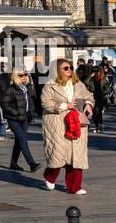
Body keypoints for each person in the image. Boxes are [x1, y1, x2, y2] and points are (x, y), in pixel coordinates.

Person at [40, 58, 93, 195]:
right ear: (57, 70)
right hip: (58, 123)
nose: (69, 70)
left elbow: (89, 96)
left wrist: (88, 104)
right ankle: (50, 176)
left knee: (76, 156)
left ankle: (75, 187)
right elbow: (45, 103)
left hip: (77, 122)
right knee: (59, 154)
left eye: (70, 67)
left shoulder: (77, 83)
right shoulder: (49, 85)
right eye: (65, 68)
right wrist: (65, 106)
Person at [1, 68, 40, 172]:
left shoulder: (27, 88)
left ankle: (13, 163)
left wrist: (31, 113)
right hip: (14, 119)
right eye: (21, 75)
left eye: (25, 75)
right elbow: (4, 104)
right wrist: (16, 113)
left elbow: (31, 102)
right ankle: (31, 163)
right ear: (15, 77)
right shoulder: (11, 89)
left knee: (19, 141)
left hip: (25, 118)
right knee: (22, 138)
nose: (24, 77)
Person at [88, 65, 109, 134]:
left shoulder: (103, 79)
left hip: (100, 98)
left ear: (100, 72)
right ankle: (97, 126)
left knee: (98, 111)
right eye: (94, 71)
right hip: (92, 97)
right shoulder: (91, 79)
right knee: (94, 113)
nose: (95, 72)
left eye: (97, 71)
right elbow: (85, 83)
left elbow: (108, 89)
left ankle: (99, 126)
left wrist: (102, 92)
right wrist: (90, 76)